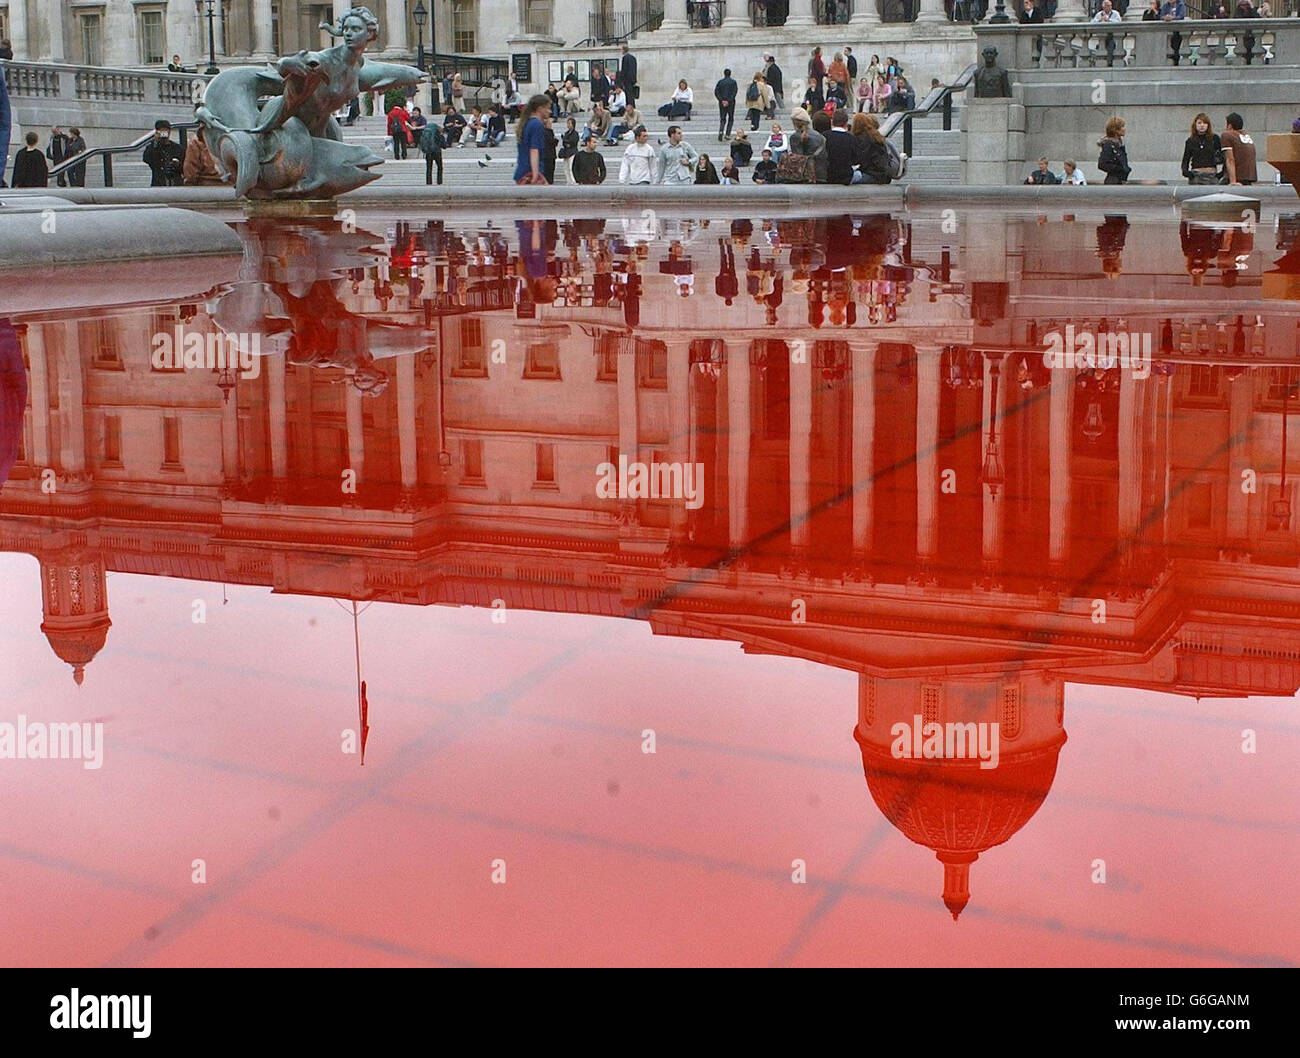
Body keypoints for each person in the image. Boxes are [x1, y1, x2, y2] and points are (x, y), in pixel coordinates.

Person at [514, 94, 552, 184]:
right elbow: (534, 150)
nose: (549, 111)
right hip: (530, 172)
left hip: (522, 170)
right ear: (539, 109)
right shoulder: (537, 125)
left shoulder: (527, 123)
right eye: (547, 108)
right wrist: (535, 175)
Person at [851, 112, 895, 184]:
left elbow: (862, 159)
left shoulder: (863, 139)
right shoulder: (876, 137)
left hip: (873, 175)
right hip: (882, 174)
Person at [788, 106, 827, 183]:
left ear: (794, 122)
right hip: (821, 173)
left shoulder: (795, 136)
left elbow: (798, 159)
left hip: (807, 176)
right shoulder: (818, 135)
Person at [1182, 112, 1223, 185]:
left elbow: (1224, 156)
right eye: (1199, 123)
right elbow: (1186, 159)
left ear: (1208, 125)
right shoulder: (1190, 141)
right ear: (1195, 125)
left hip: (1211, 175)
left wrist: (1221, 174)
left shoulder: (1214, 139)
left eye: (1204, 123)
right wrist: (1187, 173)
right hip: (1196, 175)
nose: (1202, 125)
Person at [142, 120, 184, 187]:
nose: (164, 134)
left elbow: (185, 167)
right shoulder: (153, 147)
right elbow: (146, 159)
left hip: (175, 183)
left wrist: (177, 164)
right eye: (162, 131)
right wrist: (155, 142)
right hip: (159, 183)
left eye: (166, 131)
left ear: (170, 131)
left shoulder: (177, 148)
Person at [825, 108, 861, 185]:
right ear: (846, 123)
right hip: (846, 177)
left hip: (827, 176)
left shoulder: (825, 136)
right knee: (859, 175)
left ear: (832, 122)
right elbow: (856, 160)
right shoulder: (851, 138)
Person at [1220, 112, 1257, 186]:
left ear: (1229, 126)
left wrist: (1233, 181)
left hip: (1237, 177)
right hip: (1249, 177)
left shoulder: (1227, 135)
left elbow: (1230, 159)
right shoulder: (1247, 136)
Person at [1097, 115, 1130, 184]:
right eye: (1122, 126)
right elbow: (1102, 164)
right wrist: (1119, 169)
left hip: (1121, 181)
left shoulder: (1119, 144)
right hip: (1113, 182)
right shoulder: (1109, 145)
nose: (1124, 129)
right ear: (1115, 130)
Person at [715, 68, 738, 142]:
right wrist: (728, 100)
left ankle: (721, 131)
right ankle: (728, 134)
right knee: (730, 118)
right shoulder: (733, 82)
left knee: (722, 118)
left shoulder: (720, 82)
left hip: (722, 103)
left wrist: (721, 100)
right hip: (731, 103)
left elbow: (716, 92)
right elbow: (734, 92)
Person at [1160, 0, 1186, 67]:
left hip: (1177, 31)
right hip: (1167, 30)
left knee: (1176, 48)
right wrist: (1165, 18)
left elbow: (1181, 16)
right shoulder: (1165, 5)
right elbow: (1161, 16)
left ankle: (1176, 62)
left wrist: (1172, 18)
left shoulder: (1181, 4)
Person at [419, 120, 445, 184]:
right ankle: (439, 182)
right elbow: (444, 146)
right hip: (437, 152)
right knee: (439, 167)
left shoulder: (425, 133)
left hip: (428, 152)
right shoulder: (438, 134)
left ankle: (429, 182)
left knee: (429, 168)